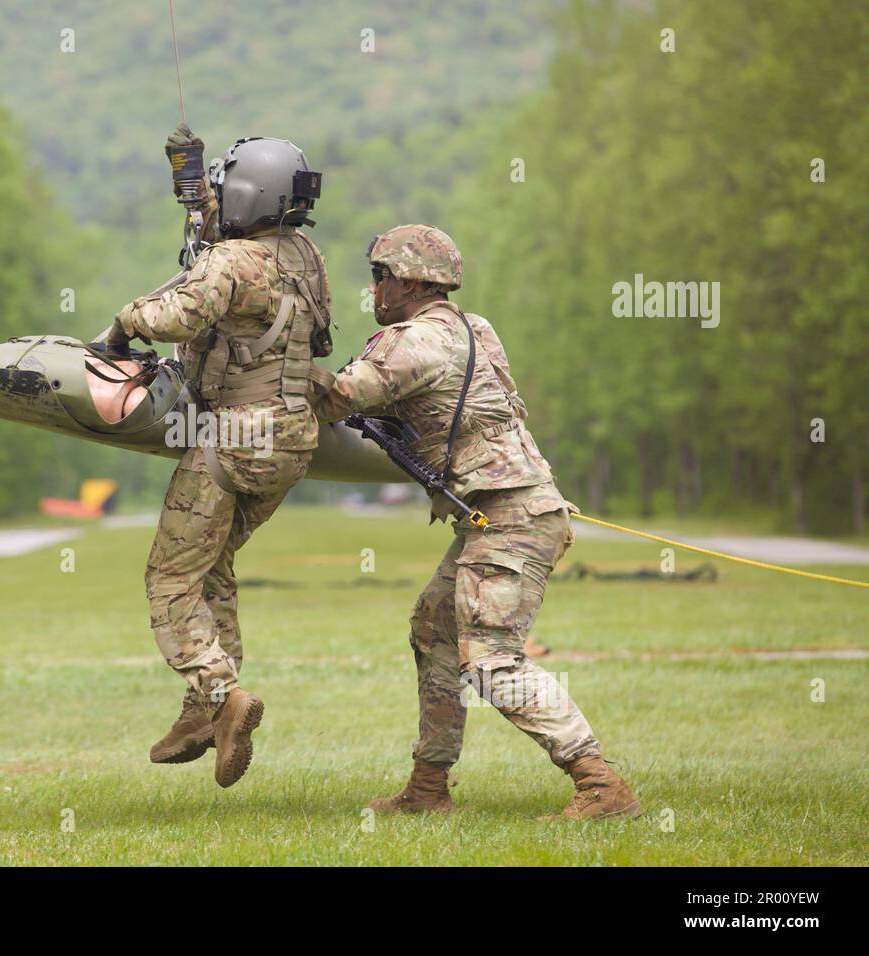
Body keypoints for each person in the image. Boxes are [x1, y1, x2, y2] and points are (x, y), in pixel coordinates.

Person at [316, 224, 641, 820]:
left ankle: (601, 785)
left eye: (381, 275)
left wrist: (270, 369)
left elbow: (338, 397)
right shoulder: (473, 328)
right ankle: (428, 788)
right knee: (433, 628)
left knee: (489, 658)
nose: (374, 288)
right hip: (507, 512)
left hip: (509, 515)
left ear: (411, 279)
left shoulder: (412, 343)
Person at [106, 126, 333, 787]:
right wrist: (195, 192)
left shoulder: (232, 262)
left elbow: (179, 315)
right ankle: (201, 713)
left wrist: (127, 318)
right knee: (213, 568)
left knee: (169, 578)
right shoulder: (305, 255)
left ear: (249, 193)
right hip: (291, 442)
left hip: (235, 439)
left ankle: (221, 692)